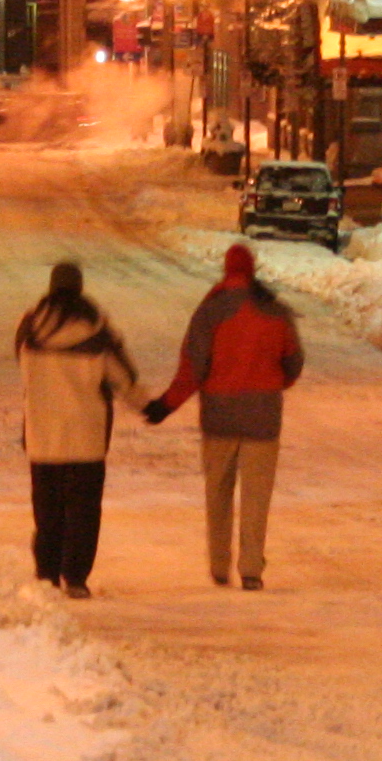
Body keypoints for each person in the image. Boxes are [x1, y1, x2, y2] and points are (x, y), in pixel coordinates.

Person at [143, 243, 306, 590]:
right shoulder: (276, 311)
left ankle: (219, 565)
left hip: (219, 418)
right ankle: (251, 569)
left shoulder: (211, 310)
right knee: (256, 498)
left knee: (218, 493)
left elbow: (193, 368)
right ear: (252, 269)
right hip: (263, 418)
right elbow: (293, 363)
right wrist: (272, 385)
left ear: (227, 269)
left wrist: (166, 405)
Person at [15, 261, 142, 597]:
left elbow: (21, 364)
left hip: (42, 435)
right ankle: (75, 578)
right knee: (83, 512)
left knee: (47, 512)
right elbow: (123, 377)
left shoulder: (29, 328)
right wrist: (148, 405)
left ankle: (47, 575)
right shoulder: (97, 329)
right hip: (87, 436)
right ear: (79, 287)